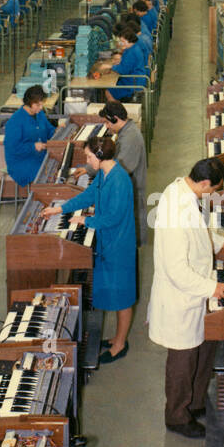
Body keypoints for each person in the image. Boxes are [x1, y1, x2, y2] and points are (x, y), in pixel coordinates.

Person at [147, 158, 224, 438]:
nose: (214, 195)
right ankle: (176, 415)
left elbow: (198, 230)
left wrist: (221, 241)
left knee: (204, 346)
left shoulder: (183, 192)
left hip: (196, 292)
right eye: (215, 190)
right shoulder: (176, 210)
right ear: (205, 183)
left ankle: (195, 403)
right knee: (183, 360)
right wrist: (212, 288)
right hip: (181, 297)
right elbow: (176, 270)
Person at [40, 136, 137, 363]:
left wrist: (85, 222)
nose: (87, 160)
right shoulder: (104, 173)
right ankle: (117, 337)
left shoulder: (120, 180)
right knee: (114, 292)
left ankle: (120, 344)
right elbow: (88, 196)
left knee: (122, 297)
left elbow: (113, 218)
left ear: (100, 156)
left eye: (89, 156)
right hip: (108, 243)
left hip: (119, 245)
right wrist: (60, 210)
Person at [101, 100, 147, 247]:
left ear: (116, 118)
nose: (107, 126)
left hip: (132, 190)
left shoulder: (129, 138)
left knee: (130, 238)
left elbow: (118, 169)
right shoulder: (127, 132)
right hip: (130, 188)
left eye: (108, 123)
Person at [3, 84, 55, 188]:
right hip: (21, 161)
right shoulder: (15, 121)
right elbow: (12, 148)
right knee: (46, 175)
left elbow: (49, 130)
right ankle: (41, 199)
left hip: (40, 156)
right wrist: (33, 146)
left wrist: (58, 130)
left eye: (42, 104)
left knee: (56, 168)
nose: (41, 108)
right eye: (38, 105)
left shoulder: (39, 114)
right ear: (29, 103)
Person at [95, 26, 149, 102]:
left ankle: (117, 110)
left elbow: (123, 70)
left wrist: (109, 66)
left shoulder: (132, 52)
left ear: (129, 40)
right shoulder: (133, 48)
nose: (121, 43)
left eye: (123, 41)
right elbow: (126, 64)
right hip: (134, 78)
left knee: (108, 92)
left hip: (133, 82)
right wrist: (117, 64)